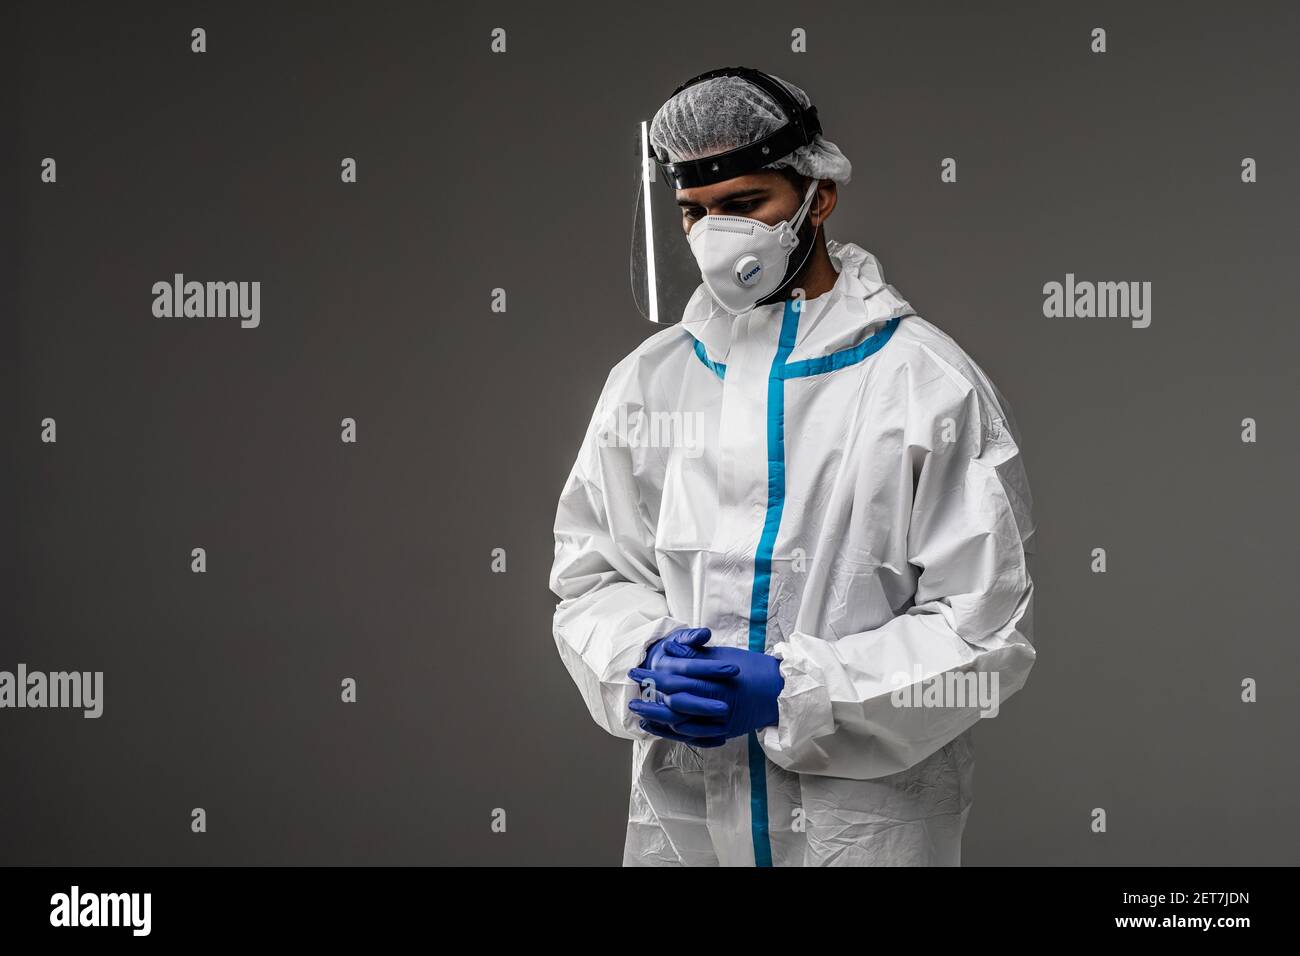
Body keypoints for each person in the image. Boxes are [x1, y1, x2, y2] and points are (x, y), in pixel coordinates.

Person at [550, 67, 1037, 867]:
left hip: (864, 832)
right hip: (683, 825)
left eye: (745, 205)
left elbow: (986, 635)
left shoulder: (921, 384)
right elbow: (592, 577)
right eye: (695, 212)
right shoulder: (651, 381)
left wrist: (794, 689)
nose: (717, 235)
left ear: (819, 195)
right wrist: (643, 659)